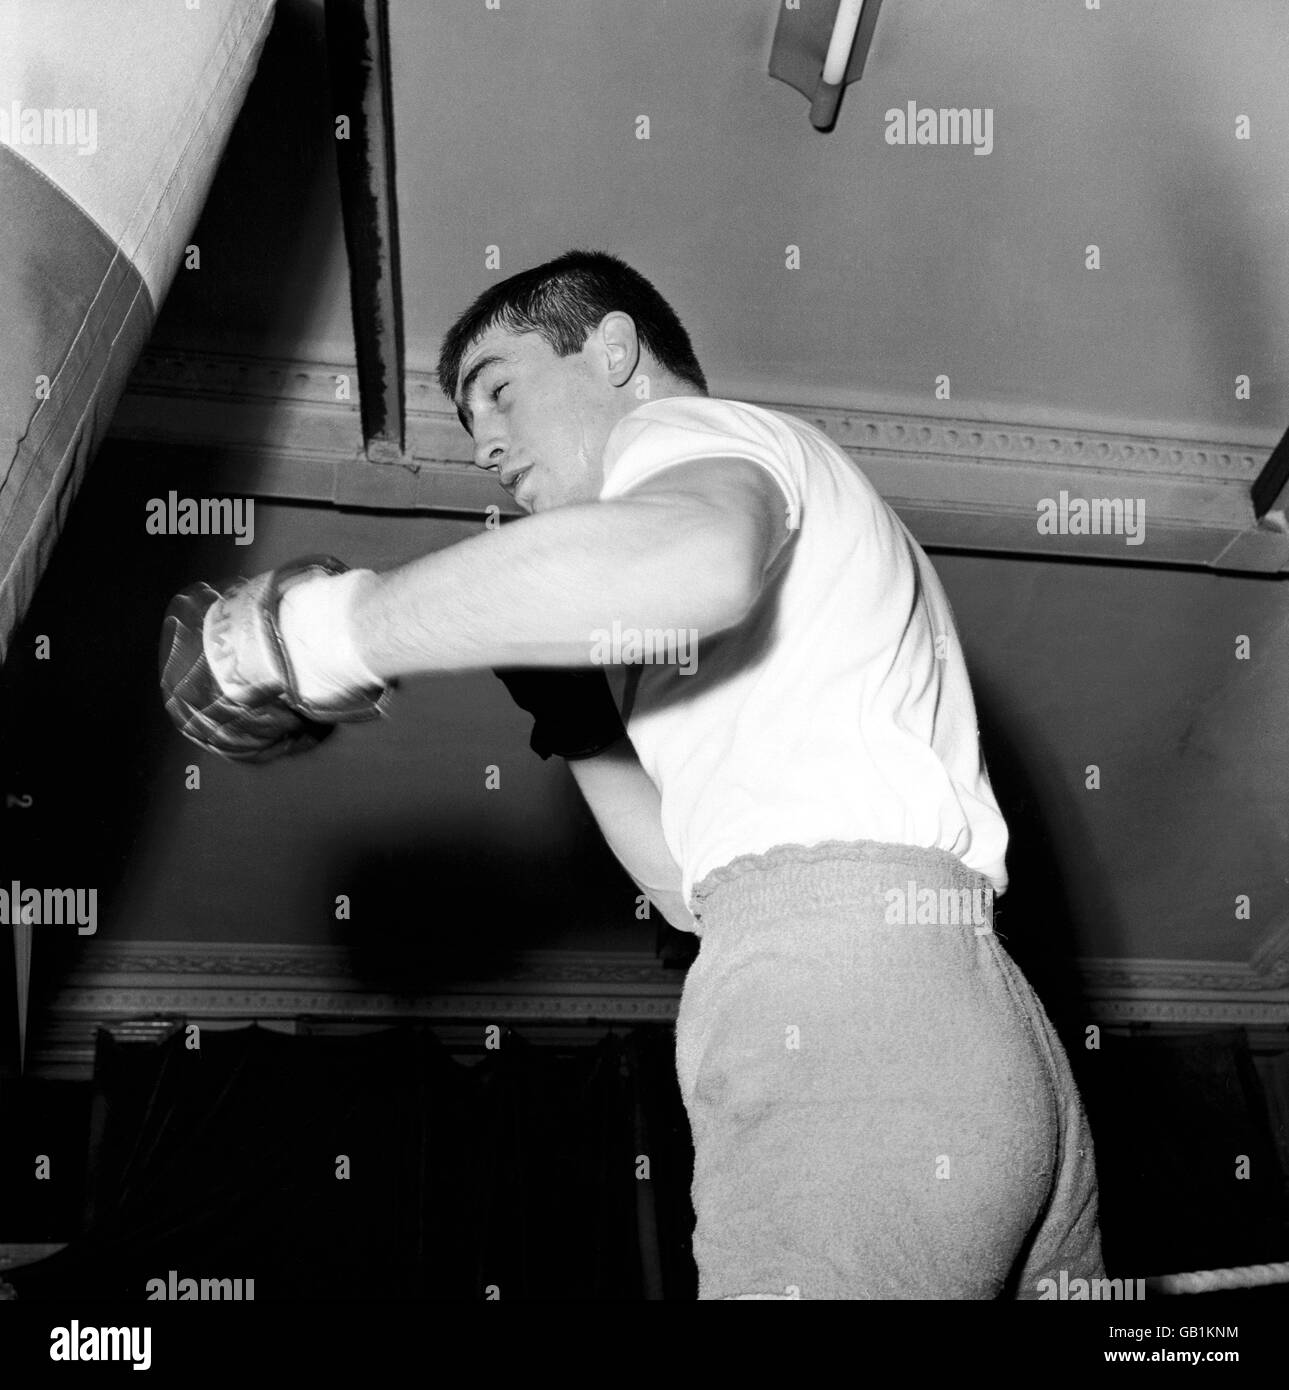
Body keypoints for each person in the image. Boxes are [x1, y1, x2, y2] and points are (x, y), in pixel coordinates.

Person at [160, 248, 1103, 1300]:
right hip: (975, 1025)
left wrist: (327, 633)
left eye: (501, 392)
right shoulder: (747, 560)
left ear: (614, 351)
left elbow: (695, 562)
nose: (488, 449)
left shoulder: (682, 432)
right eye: (475, 432)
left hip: (845, 1005)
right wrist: (582, 729)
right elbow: (691, 888)